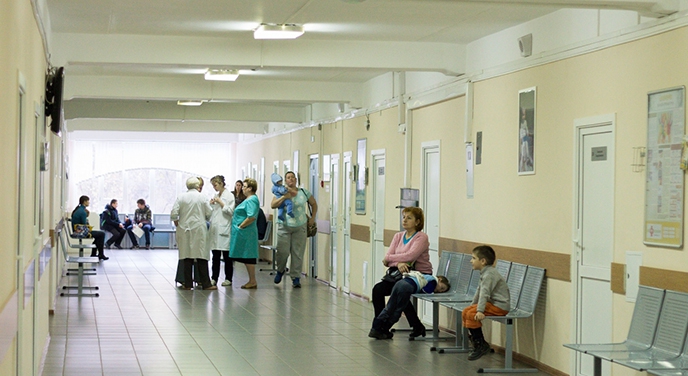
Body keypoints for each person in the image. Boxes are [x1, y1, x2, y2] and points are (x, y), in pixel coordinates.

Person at [371, 206, 432, 338]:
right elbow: (389, 259)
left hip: (419, 276)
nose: (404, 220)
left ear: (417, 222)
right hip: (400, 275)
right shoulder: (398, 236)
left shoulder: (421, 237)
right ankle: (381, 323)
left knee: (399, 291)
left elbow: (409, 256)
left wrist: (391, 259)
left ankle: (382, 325)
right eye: (403, 217)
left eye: (409, 218)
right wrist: (398, 263)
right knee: (378, 290)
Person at [462, 245, 511, 361]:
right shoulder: (485, 272)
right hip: (492, 304)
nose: (471, 261)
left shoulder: (489, 274)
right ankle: (476, 340)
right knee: (466, 311)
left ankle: (481, 344)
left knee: (471, 314)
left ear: (483, 261)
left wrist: (479, 310)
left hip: (499, 306)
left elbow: (485, 294)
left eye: (473, 258)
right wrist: (472, 306)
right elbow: (479, 292)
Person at [271, 171, 317, 288]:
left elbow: (314, 204)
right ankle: (280, 270)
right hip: (284, 226)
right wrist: (283, 197)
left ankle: (296, 277)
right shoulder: (281, 191)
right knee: (282, 252)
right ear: (285, 180)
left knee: (298, 253)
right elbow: (273, 205)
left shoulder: (303, 192)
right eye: (288, 178)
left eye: (292, 177)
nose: (290, 179)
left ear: (296, 180)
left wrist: (312, 218)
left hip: (300, 226)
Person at [369, 273, 450, 339]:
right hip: (406, 288)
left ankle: (375, 328)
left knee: (388, 308)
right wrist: (431, 292)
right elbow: (426, 290)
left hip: (399, 283)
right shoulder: (433, 281)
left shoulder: (426, 276)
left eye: (442, 291)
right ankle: (385, 329)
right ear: (439, 279)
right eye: (442, 287)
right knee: (397, 311)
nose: (439, 290)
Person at [171, 177, 216, 290]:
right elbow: (209, 213)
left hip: (184, 229)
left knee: (186, 256)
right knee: (201, 256)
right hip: (199, 229)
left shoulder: (181, 197)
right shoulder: (202, 197)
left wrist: (178, 223)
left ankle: (187, 284)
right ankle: (206, 284)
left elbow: (173, 213)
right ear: (198, 186)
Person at [229, 178, 260, 289]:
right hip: (244, 232)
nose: (242, 188)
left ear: (250, 188)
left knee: (249, 257)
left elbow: (251, 216)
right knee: (246, 257)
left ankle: (252, 281)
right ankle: (252, 280)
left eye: (244, 186)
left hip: (246, 232)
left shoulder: (252, 200)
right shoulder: (249, 199)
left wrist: (241, 226)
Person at [208, 175, 235, 287]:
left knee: (227, 257)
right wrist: (212, 204)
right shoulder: (216, 195)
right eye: (213, 185)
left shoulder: (229, 196)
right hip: (215, 228)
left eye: (216, 185)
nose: (214, 187)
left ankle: (228, 278)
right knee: (215, 257)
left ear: (221, 183)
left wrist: (221, 202)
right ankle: (214, 278)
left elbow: (230, 211)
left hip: (225, 229)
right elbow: (213, 213)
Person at [71, 195, 109, 260]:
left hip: (77, 230)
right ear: (84, 202)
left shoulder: (79, 209)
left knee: (99, 235)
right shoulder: (82, 212)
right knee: (102, 234)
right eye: (88, 201)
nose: (89, 202)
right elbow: (84, 224)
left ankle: (95, 254)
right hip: (80, 232)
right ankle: (100, 254)